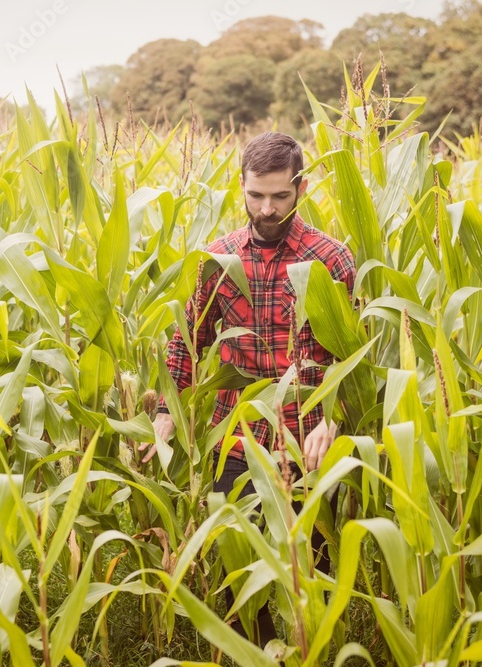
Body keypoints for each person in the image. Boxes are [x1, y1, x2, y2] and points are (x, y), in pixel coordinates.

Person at [138, 131, 356, 646]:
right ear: (241, 186)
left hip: (309, 442)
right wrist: (167, 411)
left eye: (280, 196)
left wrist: (334, 417)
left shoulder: (331, 260)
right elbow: (189, 342)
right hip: (235, 440)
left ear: (299, 187)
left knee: (314, 574)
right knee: (242, 572)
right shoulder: (218, 260)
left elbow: (355, 355)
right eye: (256, 195)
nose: (267, 208)